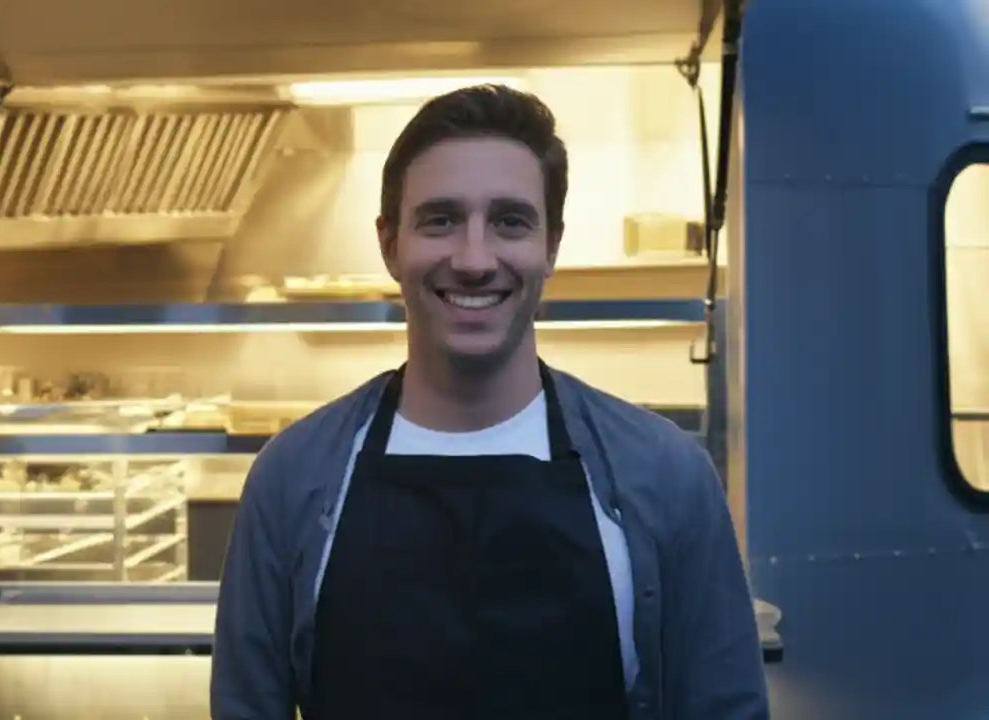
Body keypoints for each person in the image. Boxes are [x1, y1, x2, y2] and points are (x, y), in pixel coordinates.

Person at [210, 84, 769, 719]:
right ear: (390, 243)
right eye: (440, 219)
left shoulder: (666, 476)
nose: (474, 259)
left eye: (509, 221)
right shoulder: (293, 479)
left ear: (551, 245)